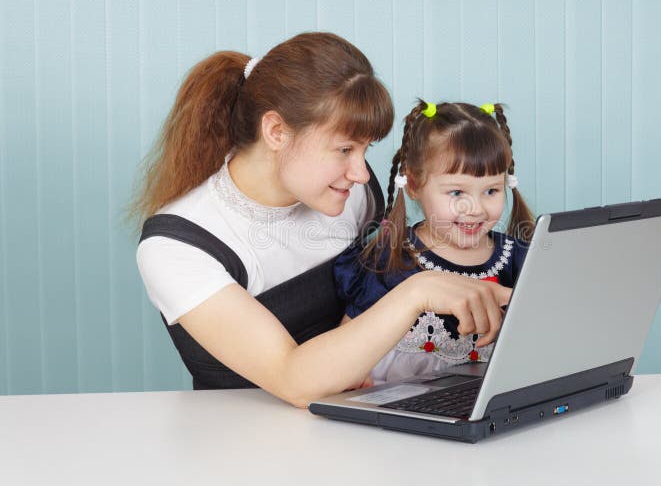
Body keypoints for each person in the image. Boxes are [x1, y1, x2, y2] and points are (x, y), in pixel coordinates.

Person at [132, 32, 511, 407]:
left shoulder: (351, 194)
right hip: (242, 441)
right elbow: (292, 378)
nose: (362, 173)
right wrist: (418, 291)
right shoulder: (178, 245)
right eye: (344, 149)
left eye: (364, 149)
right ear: (276, 131)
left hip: (355, 424)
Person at [334, 100, 536, 384]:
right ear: (415, 185)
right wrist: (354, 377)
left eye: (491, 190)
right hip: (402, 405)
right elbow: (346, 347)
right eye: (456, 193)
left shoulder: (519, 258)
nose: (475, 208)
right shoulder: (391, 260)